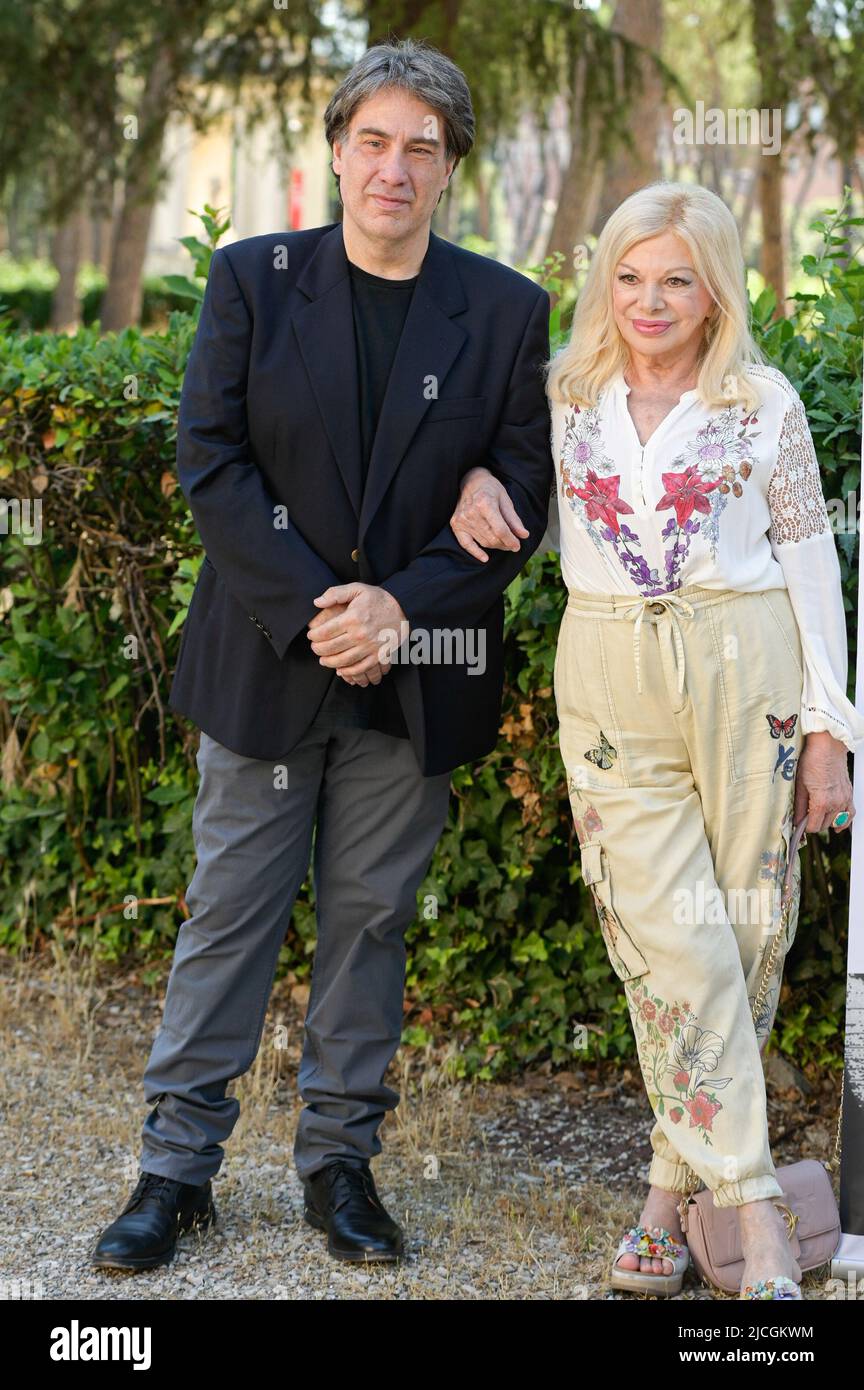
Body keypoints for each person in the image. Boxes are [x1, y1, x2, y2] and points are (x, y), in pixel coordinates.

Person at [90, 37, 552, 1272]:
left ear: (451, 165)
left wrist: (399, 608)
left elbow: (520, 502)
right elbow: (212, 461)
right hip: (264, 663)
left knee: (369, 921)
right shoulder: (252, 280)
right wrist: (321, 613)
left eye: (421, 146)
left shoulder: (506, 310)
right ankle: (173, 1172)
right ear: (337, 149)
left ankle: (339, 1167)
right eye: (373, 140)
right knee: (229, 915)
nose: (393, 167)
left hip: (416, 677)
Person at [448, 181, 862, 1299]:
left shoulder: (762, 401)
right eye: (630, 276)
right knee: (666, 942)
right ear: (605, 282)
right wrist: (480, 477)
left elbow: (814, 568)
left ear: (714, 285)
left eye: (677, 277)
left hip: (750, 674)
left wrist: (832, 729)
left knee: (741, 937)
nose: (651, 299)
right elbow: (496, 482)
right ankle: (759, 1211)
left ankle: (666, 1197)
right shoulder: (563, 393)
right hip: (610, 671)